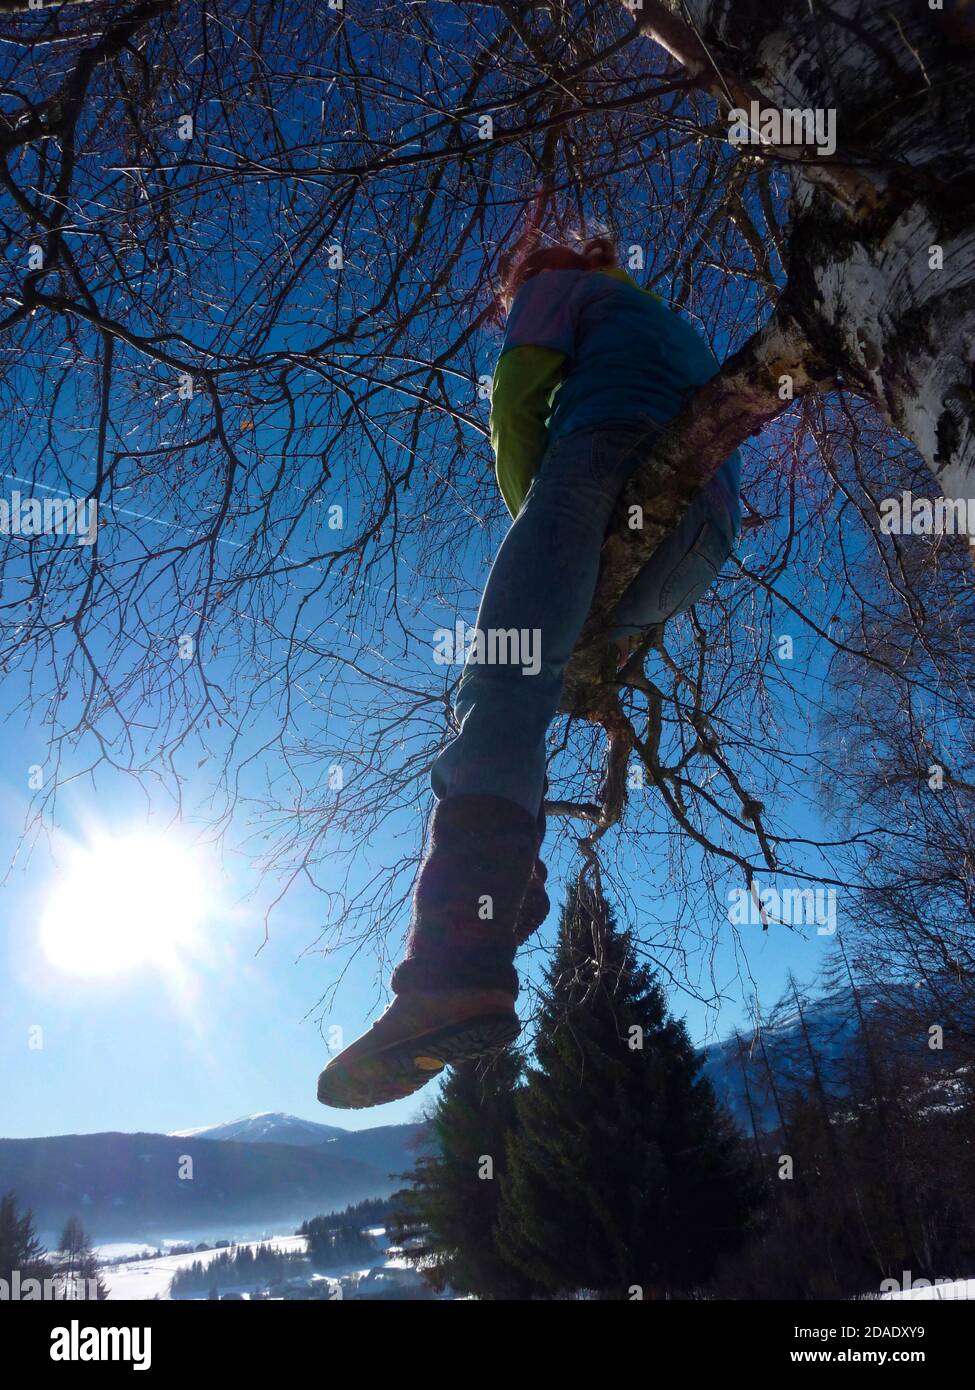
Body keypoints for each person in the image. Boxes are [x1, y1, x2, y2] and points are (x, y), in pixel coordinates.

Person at [318, 235, 741, 1109]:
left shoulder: (559, 286)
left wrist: (537, 517)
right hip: (705, 536)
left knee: (499, 688)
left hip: (598, 466)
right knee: (539, 689)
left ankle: (451, 975)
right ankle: (502, 901)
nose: (512, 310)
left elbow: (515, 407)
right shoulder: (670, 321)